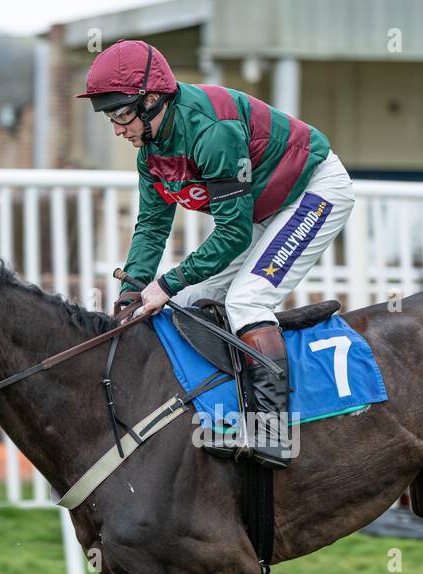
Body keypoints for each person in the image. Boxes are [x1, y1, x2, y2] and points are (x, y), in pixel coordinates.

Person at [77, 39, 356, 468]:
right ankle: (226, 413)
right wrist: (132, 294)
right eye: (109, 118)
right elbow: (152, 226)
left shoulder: (212, 132)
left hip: (313, 192)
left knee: (246, 298)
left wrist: (165, 283)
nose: (116, 128)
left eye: (120, 114)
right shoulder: (150, 150)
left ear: (152, 100)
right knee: (187, 304)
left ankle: (273, 432)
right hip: (264, 208)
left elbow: (232, 235)